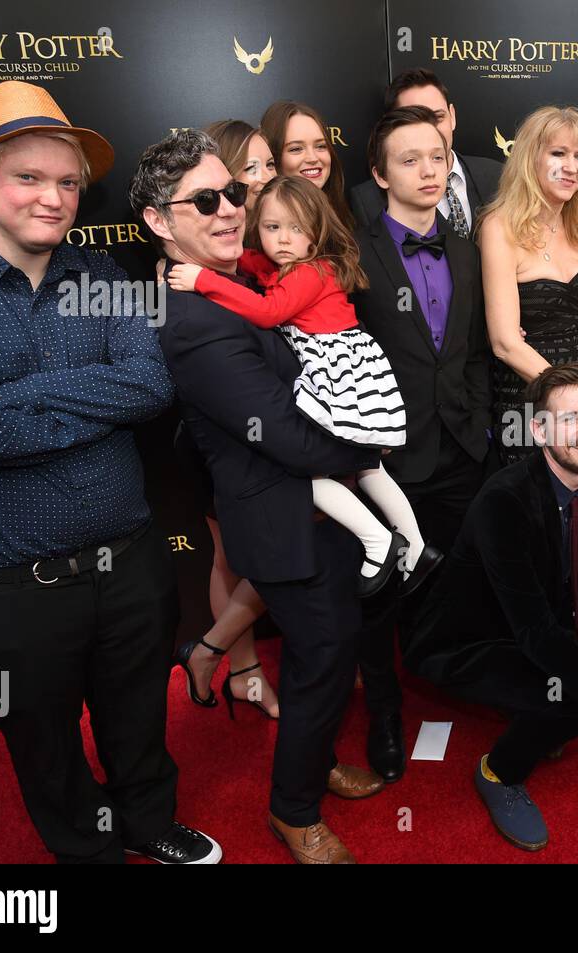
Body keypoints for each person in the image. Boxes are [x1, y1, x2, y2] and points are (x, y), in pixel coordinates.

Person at [0, 81, 218, 864]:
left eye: (69, 181)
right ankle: (88, 848)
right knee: (43, 742)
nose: (55, 197)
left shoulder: (101, 272)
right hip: (5, 582)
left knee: (139, 716)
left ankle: (148, 823)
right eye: (29, 177)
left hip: (129, 562)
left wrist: (20, 394)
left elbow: (148, 386)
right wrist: (70, 403)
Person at [135, 130, 386, 863]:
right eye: (205, 201)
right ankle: (293, 807)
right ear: (158, 222)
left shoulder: (245, 277)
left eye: (235, 194)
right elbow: (288, 438)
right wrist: (375, 438)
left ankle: (313, 761)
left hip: (319, 505)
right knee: (323, 655)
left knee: (335, 651)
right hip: (281, 518)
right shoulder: (197, 322)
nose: (229, 211)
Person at [405, 361, 578, 852]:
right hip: (465, 641)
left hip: (535, 630)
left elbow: (569, 598)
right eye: (569, 418)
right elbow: (535, 630)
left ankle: (543, 710)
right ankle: (497, 773)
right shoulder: (504, 500)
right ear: (539, 430)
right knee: (576, 700)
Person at [166, 174, 442, 597]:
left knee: (314, 473)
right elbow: (248, 264)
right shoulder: (289, 265)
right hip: (342, 368)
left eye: (297, 229)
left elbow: (267, 311)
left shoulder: (312, 272)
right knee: (369, 466)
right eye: (273, 227)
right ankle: (418, 547)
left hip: (339, 373)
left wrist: (203, 281)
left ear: (317, 234)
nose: (283, 239)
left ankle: (379, 541)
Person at [347, 106, 492, 782]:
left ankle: (455, 686)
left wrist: (483, 428)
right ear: (379, 174)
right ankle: (383, 715)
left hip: (460, 446)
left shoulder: (466, 245)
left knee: (455, 580)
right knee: (379, 600)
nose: (428, 170)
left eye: (436, 156)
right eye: (409, 160)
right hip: (383, 458)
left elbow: (472, 354)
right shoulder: (353, 249)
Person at [173, 118, 279, 720]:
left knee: (282, 547)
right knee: (230, 557)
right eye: (250, 171)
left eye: (269, 166)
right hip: (219, 437)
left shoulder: (279, 235)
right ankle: (242, 669)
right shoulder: (205, 255)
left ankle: (214, 654)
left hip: (276, 428)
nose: (263, 179)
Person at [481, 105, 578, 468]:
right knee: (534, 505)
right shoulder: (500, 227)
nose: (571, 167)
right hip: (531, 398)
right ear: (531, 157)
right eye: (558, 153)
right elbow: (505, 343)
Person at [349, 67, 503, 237]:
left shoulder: (498, 176)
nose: (430, 130)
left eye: (438, 117)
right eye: (415, 119)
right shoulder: (366, 201)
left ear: (452, 116)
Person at [260, 100, 356, 230]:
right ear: (273, 157)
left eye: (321, 146)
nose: (312, 158)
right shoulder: (261, 234)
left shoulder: (345, 220)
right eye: (296, 149)